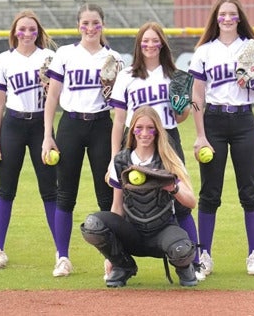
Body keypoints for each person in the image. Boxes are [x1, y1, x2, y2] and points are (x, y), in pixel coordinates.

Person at [107, 21, 202, 279]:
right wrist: (114, 157)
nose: (150, 45)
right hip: (135, 138)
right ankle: (118, 262)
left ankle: (193, 262)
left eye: (155, 40)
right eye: (145, 40)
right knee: (126, 199)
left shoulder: (175, 75)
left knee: (180, 200)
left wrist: (181, 108)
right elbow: (119, 120)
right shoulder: (127, 76)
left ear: (162, 44)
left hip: (167, 138)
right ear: (139, 44)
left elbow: (181, 116)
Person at [188, 0, 254, 276]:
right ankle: (204, 256)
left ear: (239, 18)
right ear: (216, 18)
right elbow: (197, 96)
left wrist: (252, 83)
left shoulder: (252, 48)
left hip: (243, 120)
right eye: (222, 14)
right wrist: (200, 134)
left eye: (231, 14)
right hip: (213, 121)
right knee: (210, 192)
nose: (226, 19)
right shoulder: (204, 51)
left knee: (250, 191)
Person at [41, 3, 122, 277]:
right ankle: (62, 257)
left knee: (106, 194)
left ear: (103, 25)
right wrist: (48, 135)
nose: (90, 28)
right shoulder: (65, 54)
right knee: (65, 194)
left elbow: (119, 103)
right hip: (71, 124)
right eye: (85, 23)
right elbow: (52, 96)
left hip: (101, 124)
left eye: (95, 23)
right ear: (78, 26)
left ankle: (112, 259)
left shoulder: (112, 57)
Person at [81, 106, 199, 287]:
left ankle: (184, 267)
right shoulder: (121, 161)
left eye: (150, 128)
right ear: (132, 130)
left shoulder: (168, 160)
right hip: (132, 232)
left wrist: (173, 188)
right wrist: (110, 256)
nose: (144, 133)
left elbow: (191, 202)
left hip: (163, 230)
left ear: (157, 131)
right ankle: (123, 266)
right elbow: (117, 206)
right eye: (139, 128)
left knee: (181, 249)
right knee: (92, 224)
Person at [0, 9, 58, 269]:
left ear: (38, 32)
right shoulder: (5, 59)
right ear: (14, 32)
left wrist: (50, 87)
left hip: (41, 125)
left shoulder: (49, 58)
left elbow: (57, 97)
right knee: (6, 189)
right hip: (13, 125)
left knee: (50, 190)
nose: (27, 33)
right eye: (22, 29)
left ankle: (61, 252)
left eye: (32, 29)